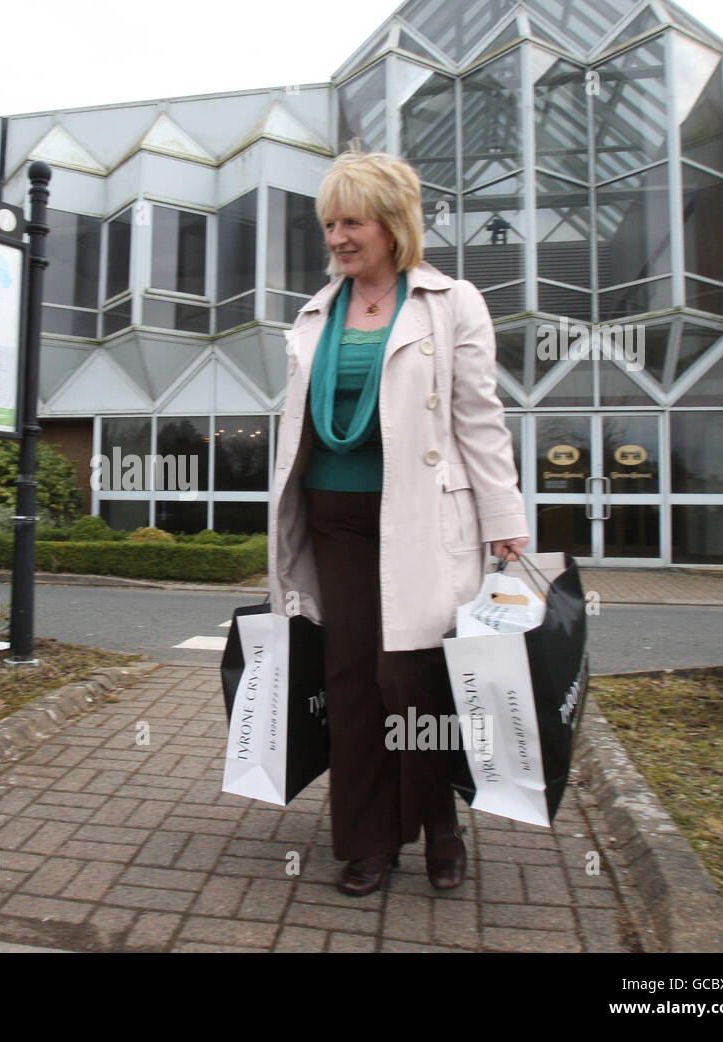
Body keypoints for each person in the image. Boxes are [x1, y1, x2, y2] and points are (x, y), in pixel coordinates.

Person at [268, 149, 528, 898]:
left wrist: (503, 516)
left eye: (351, 221)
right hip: (334, 517)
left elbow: (480, 416)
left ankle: (440, 827)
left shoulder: (452, 302)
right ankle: (367, 841)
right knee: (350, 676)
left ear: (392, 223)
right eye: (328, 224)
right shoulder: (319, 308)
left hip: (420, 516)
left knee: (409, 674)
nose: (337, 238)